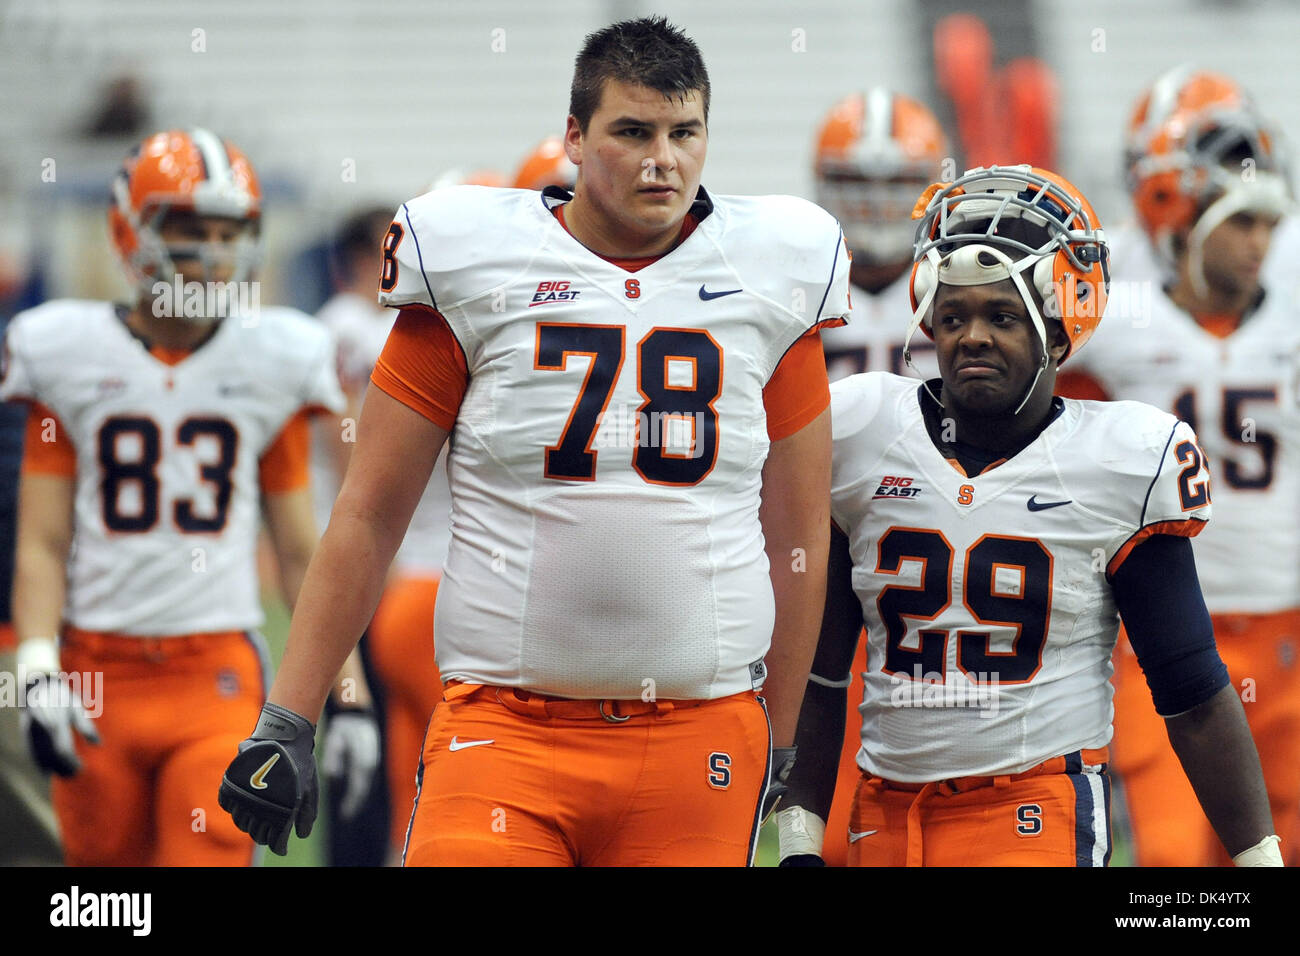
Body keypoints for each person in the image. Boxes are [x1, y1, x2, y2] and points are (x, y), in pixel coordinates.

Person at [219, 15, 849, 866]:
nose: (661, 158)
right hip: (506, 729)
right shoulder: (479, 265)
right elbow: (369, 513)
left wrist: (781, 736)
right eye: (632, 131)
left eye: (683, 132)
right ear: (575, 139)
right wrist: (288, 715)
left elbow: (798, 536)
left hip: (700, 731)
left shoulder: (776, 269)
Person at [776, 163, 1281, 867]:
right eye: (953, 316)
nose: (972, 337)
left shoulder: (1120, 459)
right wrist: (798, 835)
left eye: (1001, 316)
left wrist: (1257, 858)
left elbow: (1191, 691)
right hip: (883, 813)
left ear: (1058, 322)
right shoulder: (863, 429)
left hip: (1034, 810)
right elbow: (821, 672)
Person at [1, 128, 360, 865]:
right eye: (189, 226)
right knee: (105, 904)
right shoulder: (65, 351)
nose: (211, 249)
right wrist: (37, 670)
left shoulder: (273, 357)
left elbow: (300, 552)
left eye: (230, 230)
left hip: (215, 679)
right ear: (129, 229)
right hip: (95, 671)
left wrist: (350, 698)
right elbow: (42, 541)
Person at [1056, 67, 1299, 866]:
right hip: (1166, 632)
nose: (1259, 241)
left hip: (1288, 629)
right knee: (1172, 862)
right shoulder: (1111, 309)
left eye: (1265, 221)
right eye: (1240, 222)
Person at [806, 87, 947, 866]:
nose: (880, 202)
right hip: (810, 548)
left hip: (926, 547)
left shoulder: (965, 282)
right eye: (858, 180)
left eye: (899, 182)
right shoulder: (799, 281)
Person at [313, 205, 453, 863]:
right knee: (381, 747)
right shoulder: (350, 326)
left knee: (388, 756)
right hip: (380, 568)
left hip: (383, 567)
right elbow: (357, 465)